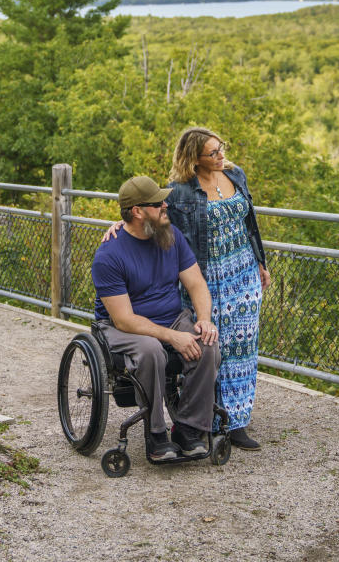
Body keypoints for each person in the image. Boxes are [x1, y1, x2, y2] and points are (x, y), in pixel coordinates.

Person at [91, 175, 221, 463]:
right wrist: (172, 337)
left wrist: (204, 319)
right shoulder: (109, 256)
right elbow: (124, 320)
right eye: (158, 202)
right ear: (137, 211)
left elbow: (197, 284)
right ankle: (156, 434)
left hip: (172, 317)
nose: (166, 205)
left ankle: (188, 428)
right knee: (151, 352)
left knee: (208, 344)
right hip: (125, 327)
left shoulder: (170, 237)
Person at [165, 127, 269, 450]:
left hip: (244, 274)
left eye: (221, 148)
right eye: (213, 152)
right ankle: (209, 419)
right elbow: (150, 217)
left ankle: (238, 422)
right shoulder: (180, 191)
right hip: (208, 277)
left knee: (244, 348)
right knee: (215, 345)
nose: (221, 155)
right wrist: (118, 226)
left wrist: (261, 263)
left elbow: (249, 223)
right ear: (194, 159)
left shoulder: (236, 175)